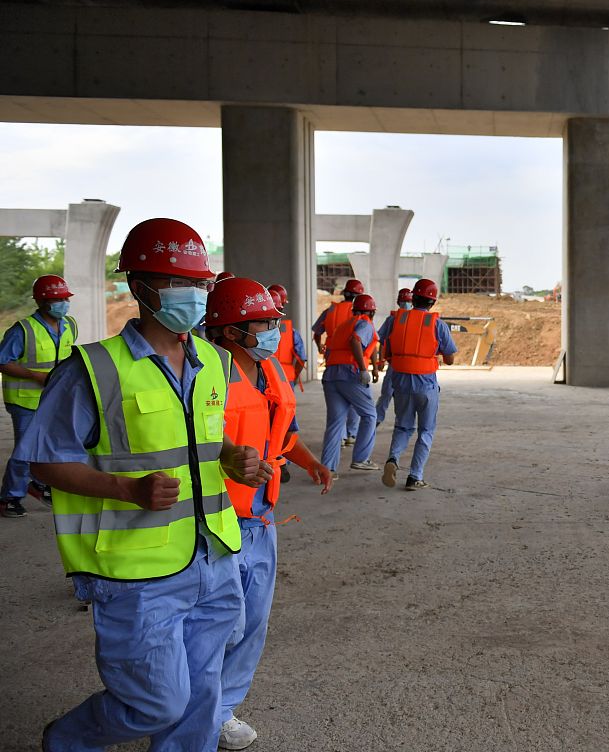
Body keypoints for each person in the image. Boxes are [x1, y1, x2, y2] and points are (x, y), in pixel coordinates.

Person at [22, 217, 268, 750]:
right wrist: (127, 490)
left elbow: (199, 443)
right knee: (157, 702)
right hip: (139, 570)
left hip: (215, 554)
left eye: (200, 284)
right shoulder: (93, 368)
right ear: (139, 288)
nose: (194, 294)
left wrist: (232, 458)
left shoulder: (215, 362)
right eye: (177, 282)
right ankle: (67, 739)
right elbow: (42, 461)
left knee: (204, 693)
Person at [204, 277, 333, 750]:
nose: (274, 332)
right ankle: (193, 709)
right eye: (264, 324)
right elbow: (184, 438)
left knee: (252, 627)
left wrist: (311, 462)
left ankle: (220, 711)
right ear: (233, 331)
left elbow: (283, 435)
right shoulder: (204, 373)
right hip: (216, 520)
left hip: (261, 520)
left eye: (273, 324)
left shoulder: (272, 371)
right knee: (222, 625)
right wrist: (224, 454)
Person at [0, 275, 78, 517]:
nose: (64, 303)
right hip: (24, 400)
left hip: (54, 398)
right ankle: (9, 498)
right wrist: (34, 376)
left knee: (49, 447)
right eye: (58, 299)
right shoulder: (23, 329)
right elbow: (2, 361)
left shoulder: (70, 325)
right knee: (26, 450)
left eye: (65, 298)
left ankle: (38, 484)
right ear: (43, 302)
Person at [381, 278, 456, 490]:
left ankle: (393, 459)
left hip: (401, 381)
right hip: (426, 384)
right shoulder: (437, 324)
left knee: (403, 427)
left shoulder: (396, 320)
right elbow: (450, 358)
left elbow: (384, 345)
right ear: (432, 302)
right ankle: (415, 476)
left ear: (412, 298)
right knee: (426, 430)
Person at [320, 293, 381, 474]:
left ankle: (328, 469)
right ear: (372, 312)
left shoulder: (343, 325)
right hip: (349, 374)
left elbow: (331, 351)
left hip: (331, 375)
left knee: (335, 423)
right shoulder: (365, 323)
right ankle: (361, 459)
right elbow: (356, 340)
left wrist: (374, 367)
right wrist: (363, 369)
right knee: (370, 415)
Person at [313, 278, 366, 447]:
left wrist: (320, 346)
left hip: (332, 357)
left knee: (337, 402)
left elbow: (316, 332)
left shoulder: (331, 310)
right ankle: (352, 433)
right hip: (353, 359)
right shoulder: (359, 313)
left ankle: (341, 436)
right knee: (353, 397)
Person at [375, 287, 414, 426]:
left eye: (407, 301)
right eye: (404, 301)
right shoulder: (392, 320)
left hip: (407, 364)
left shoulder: (415, 320)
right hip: (396, 363)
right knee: (387, 392)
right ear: (398, 302)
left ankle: (400, 422)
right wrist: (381, 360)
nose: (405, 304)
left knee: (402, 396)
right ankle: (378, 419)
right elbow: (382, 340)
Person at [267, 284, 307, 388]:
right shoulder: (291, 332)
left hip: (263, 378)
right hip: (285, 379)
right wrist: (296, 376)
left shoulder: (252, 330)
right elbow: (301, 358)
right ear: (283, 305)